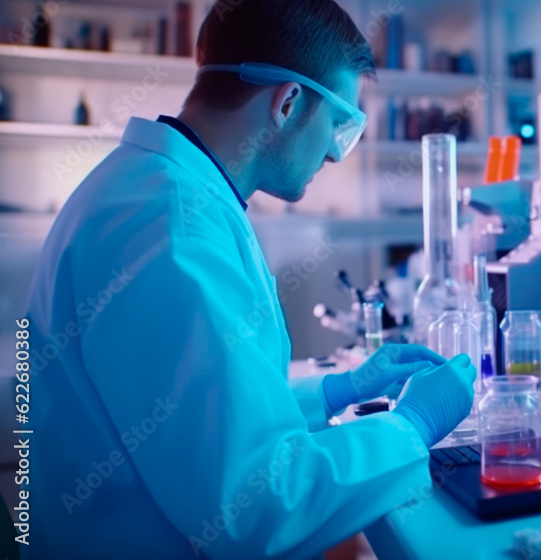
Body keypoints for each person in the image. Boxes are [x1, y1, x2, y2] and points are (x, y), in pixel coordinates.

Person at [23, 1, 476, 558]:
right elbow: (255, 508)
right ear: (287, 102)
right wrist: (414, 425)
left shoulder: (162, 192)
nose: (336, 155)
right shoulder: (175, 230)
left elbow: (202, 415)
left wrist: (340, 390)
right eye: (341, 126)